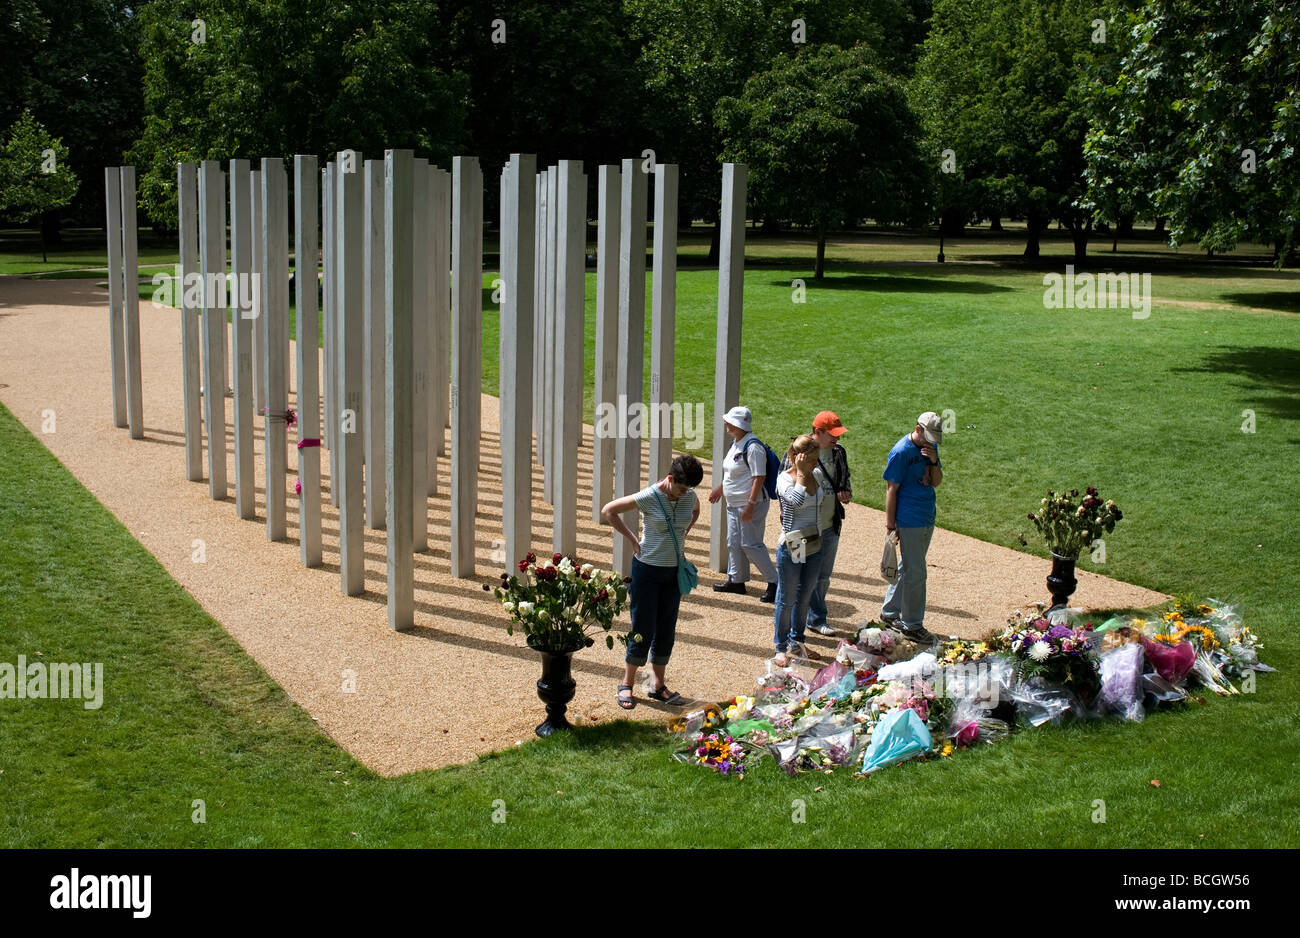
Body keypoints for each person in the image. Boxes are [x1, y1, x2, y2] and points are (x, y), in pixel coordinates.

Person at [602, 453, 704, 710]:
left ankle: (657, 684)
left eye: (687, 489)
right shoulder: (650, 496)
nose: (682, 494)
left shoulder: (689, 495)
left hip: (673, 572)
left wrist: (684, 533)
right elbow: (609, 511)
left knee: (666, 627)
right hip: (647, 571)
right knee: (642, 628)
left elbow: (696, 509)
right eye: (679, 488)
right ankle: (627, 682)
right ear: (669, 479)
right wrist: (633, 540)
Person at [781, 411, 852, 636]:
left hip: (829, 526)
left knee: (822, 576)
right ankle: (790, 632)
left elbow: (845, 478)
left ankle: (816, 618)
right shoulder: (798, 452)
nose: (836, 439)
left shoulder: (839, 453)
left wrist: (846, 492)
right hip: (801, 530)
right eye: (832, 434)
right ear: (817, 432)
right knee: (796, 584)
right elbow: (786, 490)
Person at [881, 411, 944, 645]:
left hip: (926, 515)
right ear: (918, 429)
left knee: (908, 567)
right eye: (928, 437)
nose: (932, 442)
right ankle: (912, 624)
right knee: (916, 572)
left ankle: (890, 612)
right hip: (909, 520)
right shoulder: (901, 452)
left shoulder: (930, 448)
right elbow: (891, 490)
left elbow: (936, 481)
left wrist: (934, 462)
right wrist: (890, 526)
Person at [707, 405, 778, 603]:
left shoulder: (753, 447)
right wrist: (720, 489)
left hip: (748, 505)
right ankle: (736, 580)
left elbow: (759, 477)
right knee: (733, 542)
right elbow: (732, 473)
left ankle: (775, 582)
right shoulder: (737, 442)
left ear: (737, 424)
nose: (726, 424)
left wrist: (750, 505)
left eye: (729, 422)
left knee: (751, 544)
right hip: (734, 503)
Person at [772, 434, 831, 667]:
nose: (816, 463)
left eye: (817, 459)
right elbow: (795, 502)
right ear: (799, 457)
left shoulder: (815, 473)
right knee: (786, 599)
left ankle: (798, 641)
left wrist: (808, 472)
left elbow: (820, 501)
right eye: (812, 459)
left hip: (813, 542)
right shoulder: (784, 480)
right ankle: (780, 646)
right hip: (792, 543)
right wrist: (800, 474)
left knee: (805, 596)